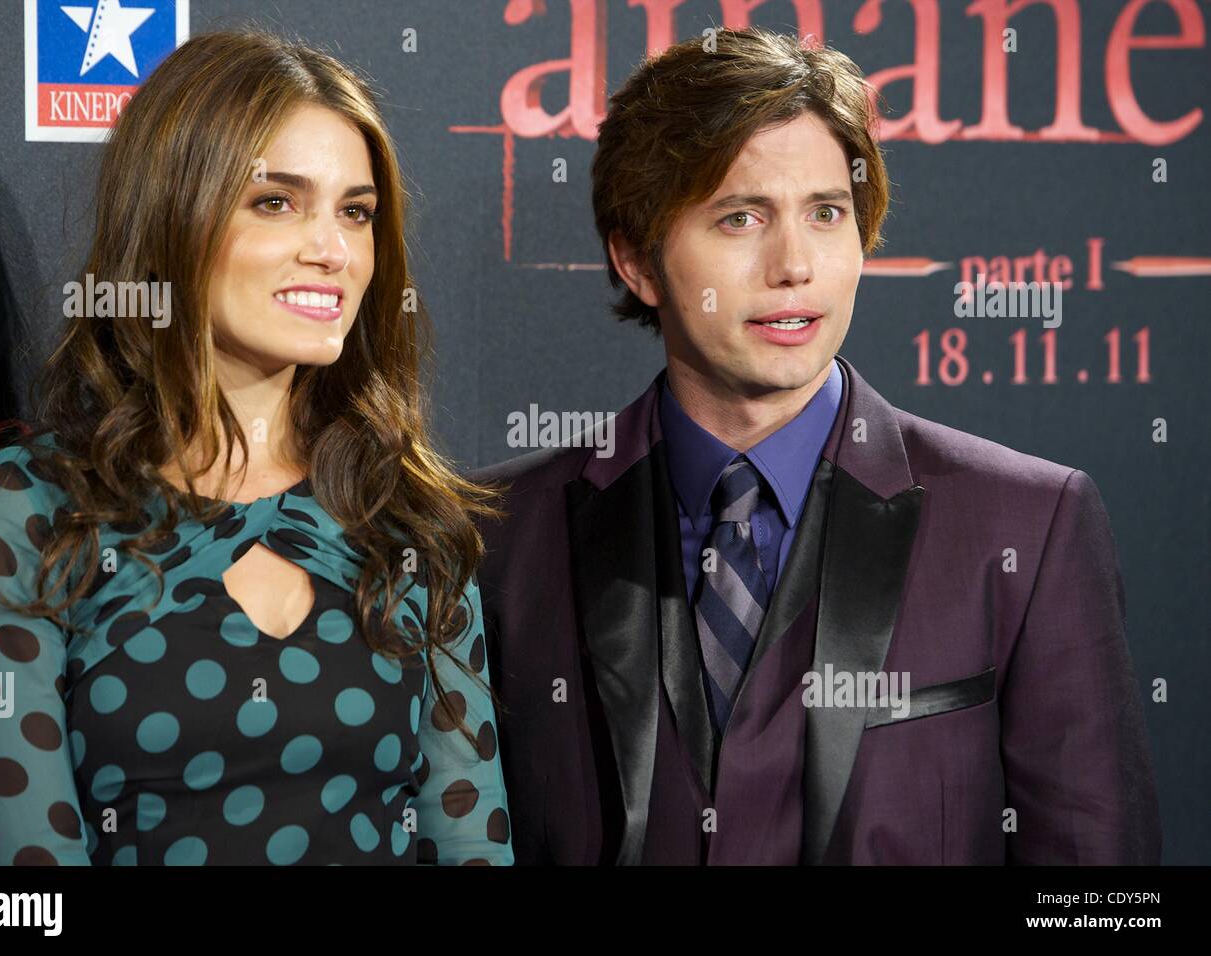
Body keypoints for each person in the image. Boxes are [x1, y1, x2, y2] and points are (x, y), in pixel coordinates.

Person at [471, 28, 1159, 865]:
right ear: (638, 262)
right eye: (740, 217)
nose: (794, 265)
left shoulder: (1028, 524)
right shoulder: (496, 537)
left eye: (826, 214)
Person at [0, 28, 512, 866]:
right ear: (172, 220)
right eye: (276, 201)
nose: (332, 250)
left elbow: (469, 837)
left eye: (356, 212)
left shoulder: (407, 519)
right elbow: (20, 889)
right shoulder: (26, 512)